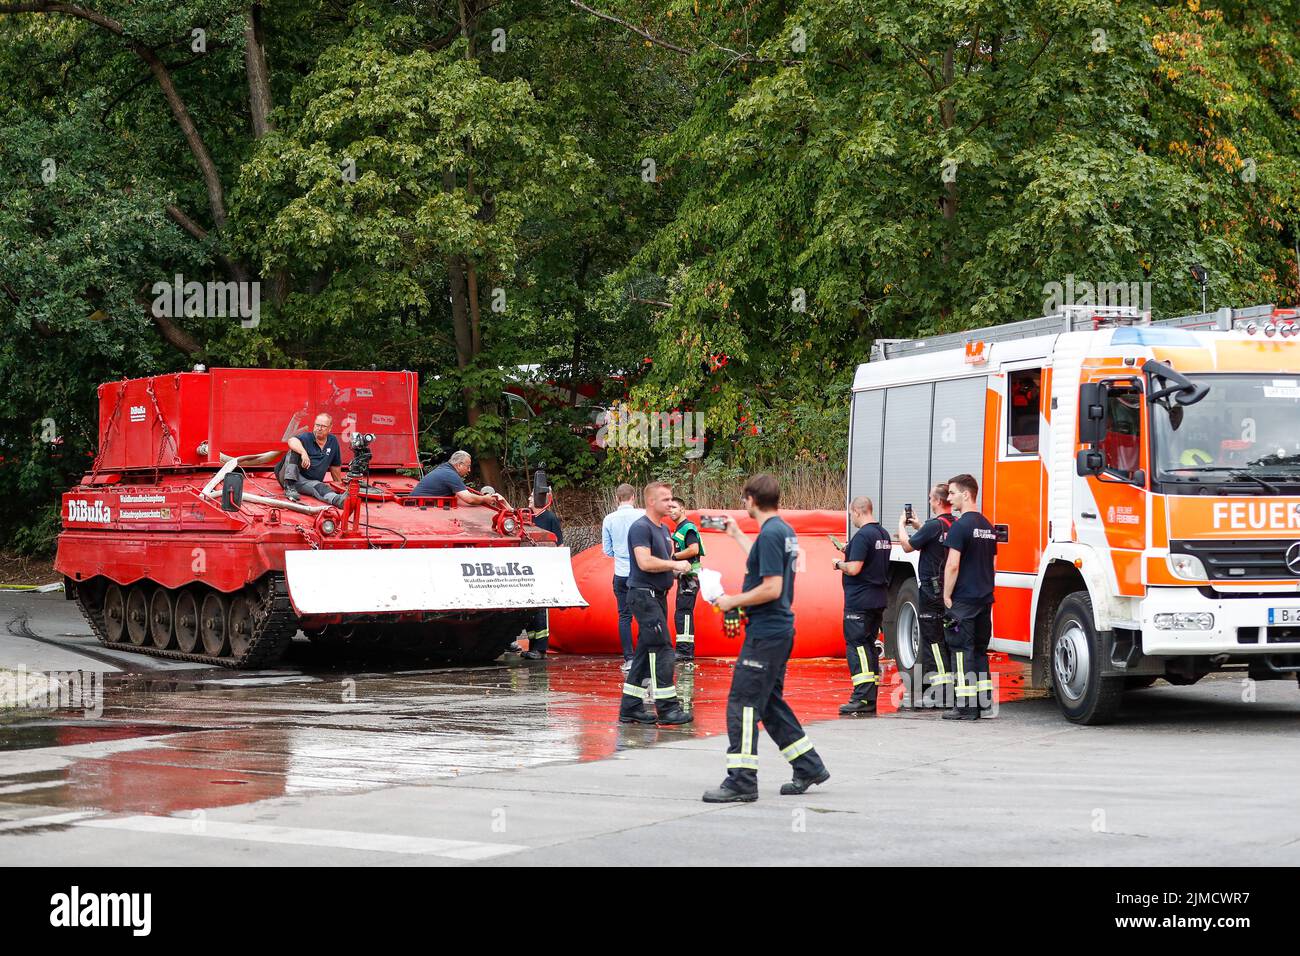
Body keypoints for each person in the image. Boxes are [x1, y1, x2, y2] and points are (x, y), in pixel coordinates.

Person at [703, 473, 829, 802]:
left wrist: (731, 601)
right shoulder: (780, 531)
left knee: (743, 703)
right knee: (769, 703)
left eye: (744, 499)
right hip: (777, 631)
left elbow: (771, 587)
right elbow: (762, 564)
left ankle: (742, 780)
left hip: (766, 633)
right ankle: (808, 765)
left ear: (751, 500)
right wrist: (735, 534)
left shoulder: (772, 534)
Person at [618, 482, 693, 726]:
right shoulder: (641, 527)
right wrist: (674, 565)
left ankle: (630, 707)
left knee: (643, 653)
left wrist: (679, 573)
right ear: (651, 502)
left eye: (672, 499)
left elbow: (663, 564)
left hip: (657, 596)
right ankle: (668, 708)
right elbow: (644, 563)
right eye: (665, 499)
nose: (671, 503)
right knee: (662, 650)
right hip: (643, 596)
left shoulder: (664, 531)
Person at [942, 474, 998, 720]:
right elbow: (993, 563)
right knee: (978, 651)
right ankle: (984, 703)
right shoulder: (988, 526)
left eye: (952, 493)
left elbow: (953, 564)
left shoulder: (961, 526)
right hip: (984, 600)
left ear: (966, 494)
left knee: (961, 651)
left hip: (963, 601)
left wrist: (946, 594)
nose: (949, 498)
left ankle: (965, 707)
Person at [898, 483, 958, 706]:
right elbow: (938, 540)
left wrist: (902, 526)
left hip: (931, 592)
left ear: (939, 501)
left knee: (933, 641)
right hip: (949, 592)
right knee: (947, 639)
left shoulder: (934, 526)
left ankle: (941, 691)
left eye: (931, 499)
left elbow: (907, 546)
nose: (930, 502)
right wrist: (919, 525)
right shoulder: (955, 524)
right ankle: (950, 688)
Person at [833, 496, 891, 715]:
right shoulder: (882, 534)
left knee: (857, 647)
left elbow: (855, 568)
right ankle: (869, 698)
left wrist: (838, 564)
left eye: (851, 514)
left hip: (860, 602)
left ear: (857, 511)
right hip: (877, 599)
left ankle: (861, 698)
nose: (852, 518)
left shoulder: (863, 535)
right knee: (868, 647)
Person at [601, 484, 644, 673]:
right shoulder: (642, 516)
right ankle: (645, 655)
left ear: (617, 498)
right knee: (645, 615)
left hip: (621, 573)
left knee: (624, 616)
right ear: (634, 497)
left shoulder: (609, 519)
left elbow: (607, 550)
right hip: (641, 572)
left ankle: (629, 658)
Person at [521, 501, 563, 661]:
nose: (530, 498)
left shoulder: (550, 518)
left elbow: (559, 545)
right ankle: (533, 647)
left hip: (542, 570)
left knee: (540, 610)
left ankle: (540, 648)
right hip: (527, 570)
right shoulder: (526, 517)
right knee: (530, 611)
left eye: (533, 496)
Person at [666, 496, 704, 663]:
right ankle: (683, 651)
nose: (671, 511)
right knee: (681, 613)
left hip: (691, 577)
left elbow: (694, 549)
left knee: (684, 614)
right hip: (685, 577)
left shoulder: (687, 527)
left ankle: (685, 652)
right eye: (669, 508)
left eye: (674, 507)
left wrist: (674, 557)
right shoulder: (679, 529)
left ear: (682, 509)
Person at [284, 413, 346, 507]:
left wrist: (340, 488)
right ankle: (289, 486)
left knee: (320, 487)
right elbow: (291, 441)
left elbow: (335, 466)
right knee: (295, 449)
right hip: (293, 477)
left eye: (323, 426)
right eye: (317, 425)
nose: (319, 428)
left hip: (310, 482)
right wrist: (303, 453)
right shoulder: (306, 437)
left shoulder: (333, 441)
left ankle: (340, 501)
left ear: (330, 428)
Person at [410, 450, 509, 507]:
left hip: (416, 505)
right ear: (459, 465)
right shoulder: (450, 474)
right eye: (468, 466)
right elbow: (469, 499)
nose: (469, 470)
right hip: (418, 507)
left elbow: (459, 497)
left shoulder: (445, 468)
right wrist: (485, 498)